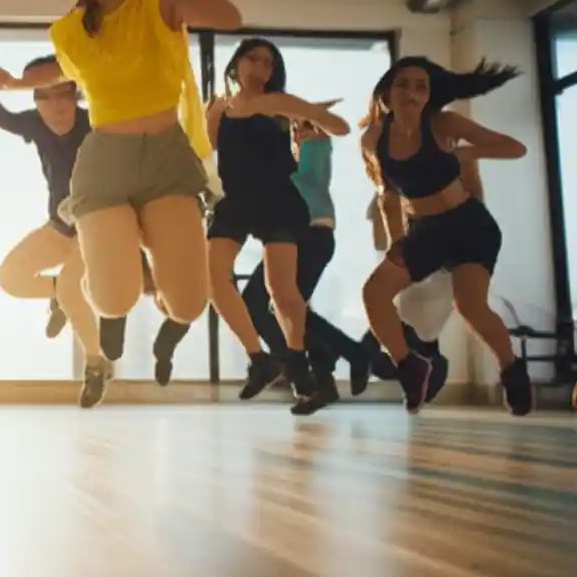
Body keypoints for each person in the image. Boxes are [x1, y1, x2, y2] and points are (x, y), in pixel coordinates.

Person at [0, 0, 242, 408]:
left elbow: (230, 17)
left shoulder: (158, 1)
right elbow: (60, 70)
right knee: (114, 298)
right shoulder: (68, 31)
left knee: (191, 303)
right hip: (106, 161)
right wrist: (18, 82)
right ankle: (115, 276)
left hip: (168, 158)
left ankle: (141, 247)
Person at [360, 56, 532, 416]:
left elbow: (516, 148)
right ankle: (410, 366)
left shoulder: (443, 124)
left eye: (421, 86)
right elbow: (388, 196)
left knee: (470, 306)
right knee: (374, 293)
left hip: (469, 225)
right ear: (387, 95)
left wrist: (469, 151)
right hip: (424, 231)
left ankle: (512, 370)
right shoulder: (374, 139)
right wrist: (397, 241)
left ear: (429, 96)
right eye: (403, 84)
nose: (411, 92)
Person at [204, 39, 349, 414]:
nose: (260, 68)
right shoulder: (217, 108)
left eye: (268, 63)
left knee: (281, 292)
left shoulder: (279, 103)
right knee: (213, 277)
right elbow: (204, 152)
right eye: (252, 59)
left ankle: (298, 364)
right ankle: (259, 357)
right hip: (235, 202)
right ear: (235, 65)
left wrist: (312, 114)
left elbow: (341, 127)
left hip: (278, 201)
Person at [0, 56, 105, 386]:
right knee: (10, 278)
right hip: (58, 227)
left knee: (72, 288)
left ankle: (96, 364)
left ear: (76, 95)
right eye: (45, 96)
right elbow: (5, 120)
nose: (56, 106)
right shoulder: (34, 124)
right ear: (35, 101)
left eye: (63, 94)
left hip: (94, 229)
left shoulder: (96, 123)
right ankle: (58, 296)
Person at [240, 118, 375, 413]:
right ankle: (324, 373)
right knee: (290, 311)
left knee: (274, 305)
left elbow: (303, 175)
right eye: (296, 128)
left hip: (309, 235)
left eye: (305, 127)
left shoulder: (315, 147)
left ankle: (303, 365)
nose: (299, 132)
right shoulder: (299, 155)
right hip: (303, 235)